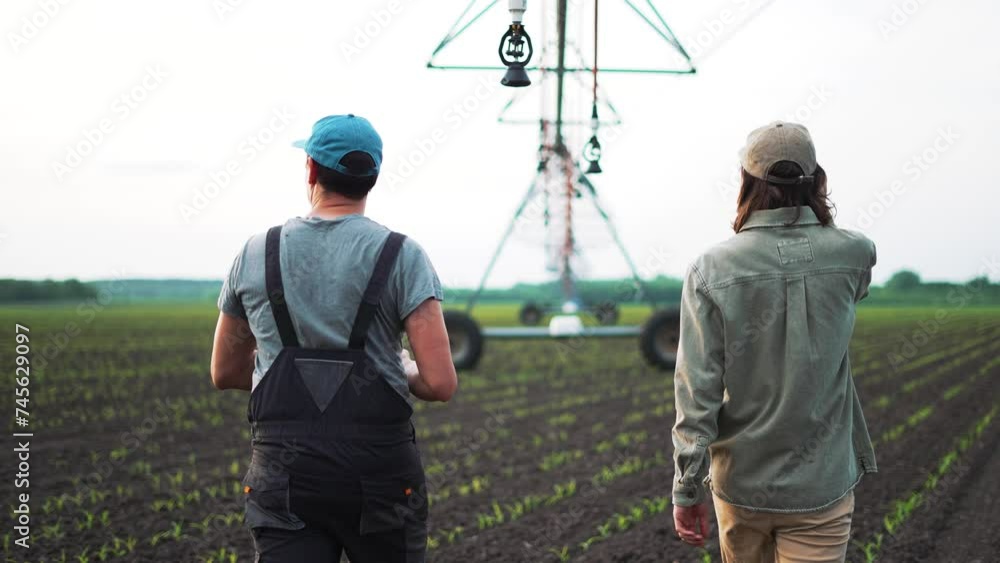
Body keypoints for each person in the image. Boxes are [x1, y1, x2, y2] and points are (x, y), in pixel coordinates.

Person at [209, 114, 457, 562]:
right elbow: (439, 383)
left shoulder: (254, 252)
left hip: (284, 475)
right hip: (380, 477)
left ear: (309, 170)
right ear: (373, 178)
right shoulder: (403, 255)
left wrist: (284, 372)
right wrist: (400, 369)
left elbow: (224, 371)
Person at [671, 122, 877, 562]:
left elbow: (697, 391)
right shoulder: (855, 253)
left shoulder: (711, 269)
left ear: (746, 181)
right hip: (820, 484)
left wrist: (686, 488)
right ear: (817, 178)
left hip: (741, 484)